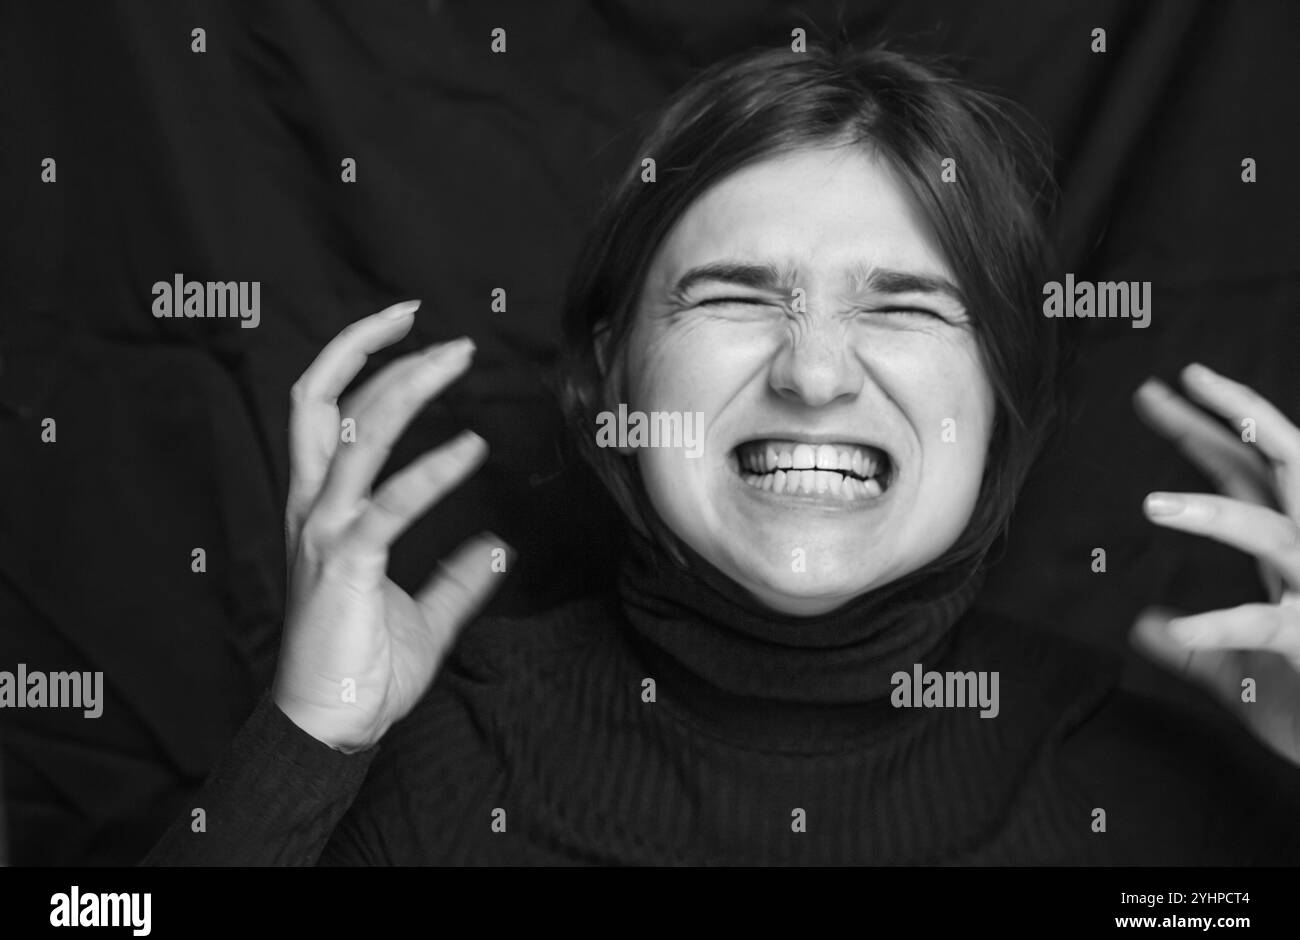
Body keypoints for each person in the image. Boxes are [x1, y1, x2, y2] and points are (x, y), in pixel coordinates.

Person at [143, 42, 1300, 866]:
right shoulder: (429, 764)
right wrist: (303, 743)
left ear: (1000, 389)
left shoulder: (1163, 797)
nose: (814, 373)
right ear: (613, 371)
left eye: (902, 306)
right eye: (736, 296)